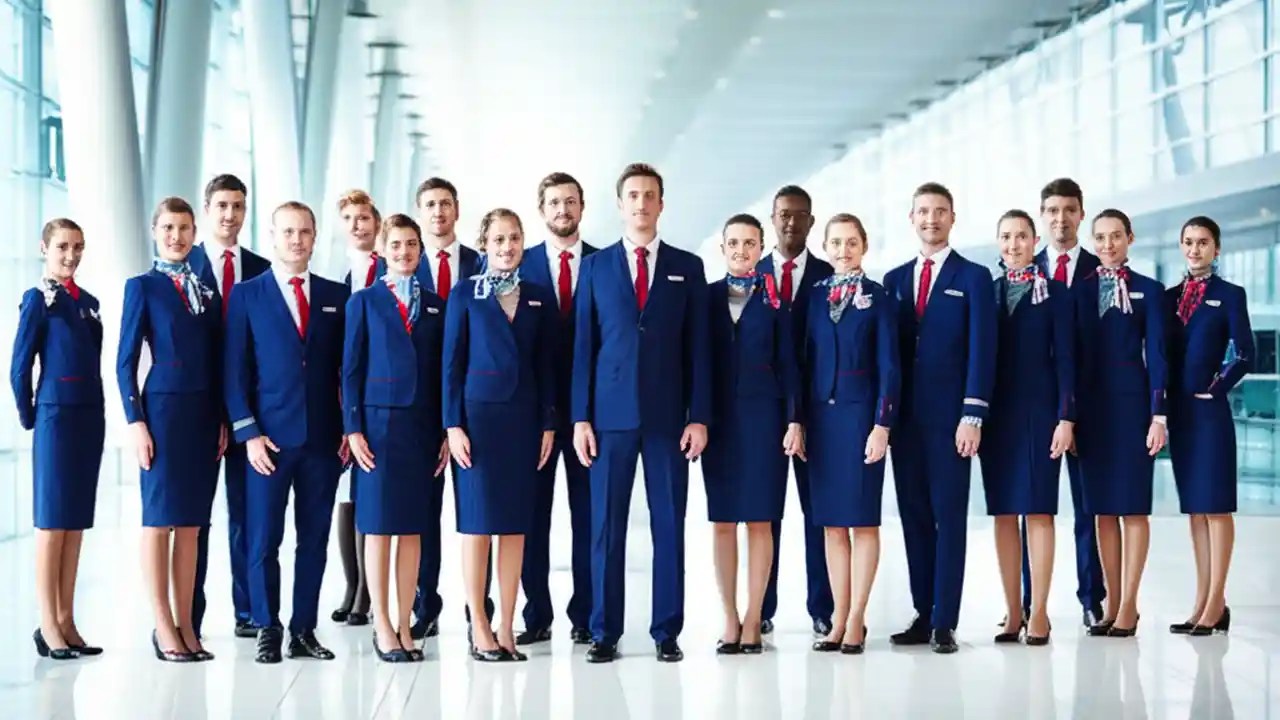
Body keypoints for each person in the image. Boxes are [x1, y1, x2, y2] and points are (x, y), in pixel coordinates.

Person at [572, 162, 711, 663]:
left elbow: (699, 350)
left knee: (669, 525)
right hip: (608, 420)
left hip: (669, 419)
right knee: (604, 527)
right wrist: (580, 417)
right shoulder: (596, 268)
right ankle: (604, 630)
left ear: (661, 203)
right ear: (620, 204)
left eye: (650, 195)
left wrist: (699, 417)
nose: (641, 203)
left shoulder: (686, 267)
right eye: (632, 195)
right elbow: (583, 346)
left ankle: (666, 630)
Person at [224, 201, 349, 663]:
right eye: (288, 232)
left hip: (322, 440)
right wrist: (249, 434)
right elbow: (234, 373)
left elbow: (346, 370)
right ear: (273, 237)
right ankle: (267, 627)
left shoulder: (337, 296)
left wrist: (347, 429)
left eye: (305, 232)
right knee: (262, 540)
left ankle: (304, 629)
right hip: (267, 443)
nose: (296, 240)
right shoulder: (247, 295)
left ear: (315, 237)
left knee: (313, 539)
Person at [883, 182, 995, 654]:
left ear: (953, 218)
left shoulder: (974, 278)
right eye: (923, 212)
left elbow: (982, 350)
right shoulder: (891, 281)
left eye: (940, 212)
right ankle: (923, 612)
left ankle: (945, 620)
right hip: (904, 421)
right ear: (912, 219)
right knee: (913, 517)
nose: (931, 219)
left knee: (949, 517)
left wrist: (973, 414)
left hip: (953, 420)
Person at [443, 209, 557, 661]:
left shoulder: (538, 297)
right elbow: (451, 365)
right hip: (478, 423)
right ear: (484, 245)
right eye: (497, 240)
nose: (506, 247)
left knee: (514, 527)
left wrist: (549, 422)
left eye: (513, 239)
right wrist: (452, 425)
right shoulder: (464, 294)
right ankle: (479, 626)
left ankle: (509, 627)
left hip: (523, 423)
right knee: (477, 527)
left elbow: (546, 365)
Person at [117, 197, 225, 662]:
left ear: (194, 232)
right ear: (154, 230)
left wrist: (223, 417)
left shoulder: (207, 289)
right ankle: (162, 624)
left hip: (203, 417)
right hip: (161, 414)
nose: (176, 236)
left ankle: (187, 623)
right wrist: (136, 421)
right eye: (168, 228)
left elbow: (219, 359)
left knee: (193, 525)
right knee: (159, 521)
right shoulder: (142, 286)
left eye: (183, 228)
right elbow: (124, 363)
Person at [343, 214, 449, 662]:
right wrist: (353, 429)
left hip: (422, 429)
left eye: (411, 244)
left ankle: (407, 621)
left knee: (412, 529)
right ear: (381, 250)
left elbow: (446, 372)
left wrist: (447, 427)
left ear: (420, 250)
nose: (403, 251)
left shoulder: (439, 305)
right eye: (396, 244)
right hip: (378, 428)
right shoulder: (364, 302)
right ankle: (382, 623)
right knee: (379, 528)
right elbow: (349, 369)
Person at [704, 213, 803, 655]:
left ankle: (754, 617)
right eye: (733, 243)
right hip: (719, 422)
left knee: (761, 519)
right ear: (722, 249)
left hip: (765, 420)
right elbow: (694, 364)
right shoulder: (704, 299)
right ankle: (729, 616)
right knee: (724, 520)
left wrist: (795, 419)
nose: (741, 251)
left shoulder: (777, 302)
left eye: (750, 243)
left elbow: (791, 365)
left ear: (761, 248)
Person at [801, 214, 898, 655]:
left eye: (851, 242)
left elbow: (889, 367)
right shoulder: (814, 298)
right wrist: (798, 420)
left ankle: (857, 617)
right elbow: (803, 362)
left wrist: (883, 425)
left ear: (864, 246)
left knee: (862, 521)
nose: (843, 250)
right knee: (832, 526)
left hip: (861, 422)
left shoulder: (878, 298)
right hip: (822, 422)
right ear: (824, 246)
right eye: (836, 243)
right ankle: (837, 616)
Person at [979, 210, 1075, 647]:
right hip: (998, 419)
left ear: (1035, 240)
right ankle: (1013, 609)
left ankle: (1039, 610)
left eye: (1021, 237)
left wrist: (1065, 418)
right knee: (1002, 513)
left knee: (1038, 510)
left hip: (1041, 416)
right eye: (1006, 237)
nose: (1014, 245)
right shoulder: (988, 293)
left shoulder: (1056, 295)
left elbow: (1068, 362)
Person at [11, 218, 105, 660]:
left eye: (78, 247)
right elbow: (19, 366)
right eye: (63, 246)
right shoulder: (37, 301)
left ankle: (67, 619)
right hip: (55, 418)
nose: (71, 255)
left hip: (88, 418)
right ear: (44, 248)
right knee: (51, 523)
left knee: (75, 522)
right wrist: (32, 417)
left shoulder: (89, 302)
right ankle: (46, 622)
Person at [1074, 208, 1167, 639]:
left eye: (1116, 236)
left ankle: (1130, 603)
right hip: (1092, 413)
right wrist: (1070, 417)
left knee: (1133, 508)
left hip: (1133, 411)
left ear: (1130, 238)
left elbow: (1159, 358)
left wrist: (1158, 415)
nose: (1108, 245)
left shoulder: (1150, 291)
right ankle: (1110, 601)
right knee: (1102, 512)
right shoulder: (1079, 292)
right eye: (1100, 238)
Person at [187, 173, 271, 639]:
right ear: (207, 209)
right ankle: (189, 614)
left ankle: (250, 612)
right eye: (221, 205)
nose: (230, 214)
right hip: (194, 413)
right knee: (194, 518)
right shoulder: (186, 266)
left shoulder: (261, 269)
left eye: (238, 206)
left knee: (247, 515)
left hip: (250, 413)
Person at [515, 172, 597, 646]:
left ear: (582, 208)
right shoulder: (517, 266)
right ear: (541, 210)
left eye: (570, 201)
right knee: (532, 516)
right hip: (530, 416)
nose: (562, 209)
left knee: (589, 517)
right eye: (553, 202)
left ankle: (585, 613)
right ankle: (536, 613)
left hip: (592, 414)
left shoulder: (606, 264)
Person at [409, 176, 490, 641]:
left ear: (457, 210)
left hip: (475, 412)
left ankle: (480, 601)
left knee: (480, 510)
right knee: (424, 513)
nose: (438, 212)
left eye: (445, 203)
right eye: (430, 205)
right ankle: (425, 599)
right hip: (419, 411)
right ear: (420, 213)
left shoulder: (484, 265)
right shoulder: (402, 266)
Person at [1165, 215, 1251, 637]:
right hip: (1180, 416)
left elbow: (1245, 354)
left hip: (1210, 415)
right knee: (1195, 510)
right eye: (1188, 242)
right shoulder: (1169, 298)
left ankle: (1217, 602)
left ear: (1216, 248)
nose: (1195, 249)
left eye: (1203, 242)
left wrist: (1216, 389)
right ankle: (1201, 600)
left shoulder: (1230, 295)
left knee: (1216, 507)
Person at [755, 185, 835, 637]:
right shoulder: (752, 273)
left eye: (799, 215)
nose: (790, 222)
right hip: (765, 413)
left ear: (811, 221)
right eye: (783, 214)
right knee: (766, 512)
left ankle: (821, 606)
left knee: (816, 513)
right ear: (772, 218)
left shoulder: (828, 275)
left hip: (819, 414)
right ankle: (762, 605)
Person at [1030, 177, 1104, 629]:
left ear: (1081, 213)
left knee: (1087, 509)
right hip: (1035, 409)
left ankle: (1091, 598)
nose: (1061, 218)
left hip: (1090, 407)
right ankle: (1027, 603)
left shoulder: (1101, 271)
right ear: (1043, 215)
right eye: (1052, 210)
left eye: (1069, 210)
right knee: (1030, 508)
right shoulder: (1024, 269)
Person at [332, 189, 384, 628]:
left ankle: (370, 590)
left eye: (364, 216)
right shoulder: (333, 275)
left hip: (380, 398)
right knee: (346, 495)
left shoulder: (394, 270)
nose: (357, 224)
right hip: (341, 395)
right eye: (348, 217)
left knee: (371, 492)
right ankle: (352, 584)